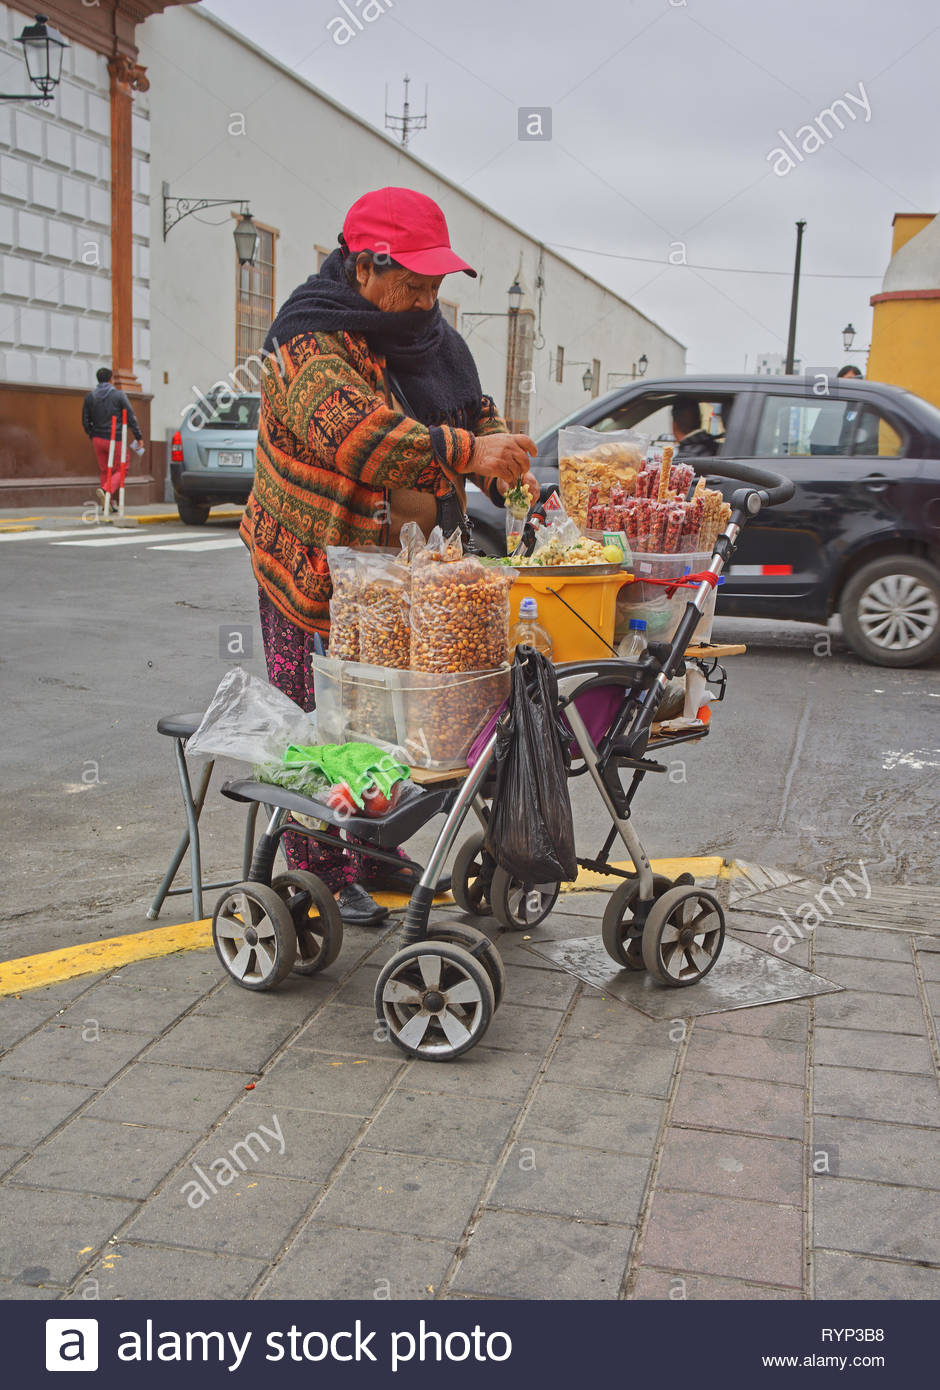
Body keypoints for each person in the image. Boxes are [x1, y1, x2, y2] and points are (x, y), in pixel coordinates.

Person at [241, 186, 538, 927]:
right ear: (366, 267)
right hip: (313, 571)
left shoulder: (433, 338)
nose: (426, 297)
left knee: (384, 724)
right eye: (414, 281)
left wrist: (503, 464)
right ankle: (319, 870)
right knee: (321, 724)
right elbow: (362, 441)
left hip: (395, 577)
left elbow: (473, 412)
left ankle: (372, 853)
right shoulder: (305, 343)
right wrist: (468, 450)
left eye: (436, 283)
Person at [82, 367, 144, 507]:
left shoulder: (90, 397)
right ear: (111, 380)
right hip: (114, 438)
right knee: (122, 468)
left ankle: (107, 504)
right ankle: (106, 490)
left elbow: (85, 421)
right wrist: (138, 436)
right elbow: (130, 416)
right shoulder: (119, 395)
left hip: (97, 439)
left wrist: (92, 434)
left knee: (105, 470)